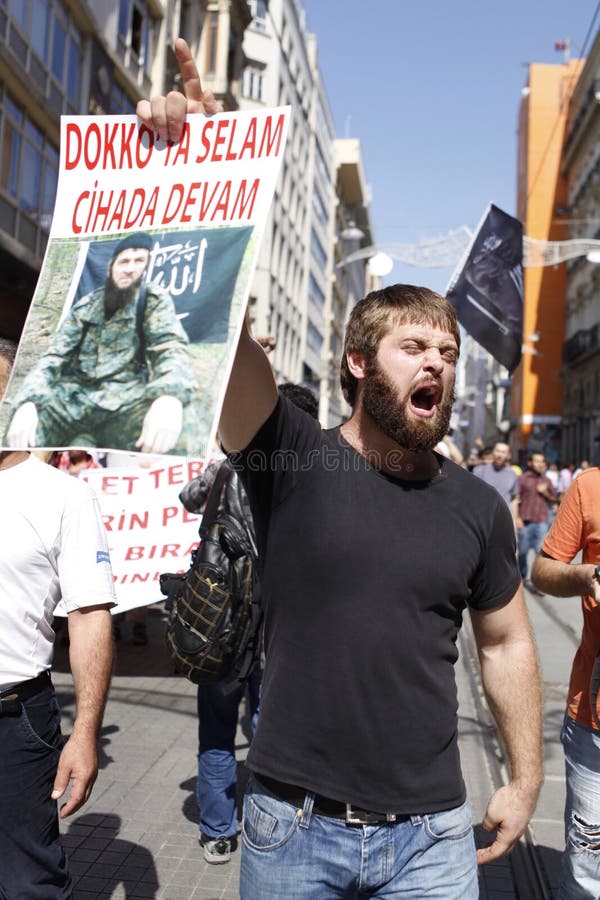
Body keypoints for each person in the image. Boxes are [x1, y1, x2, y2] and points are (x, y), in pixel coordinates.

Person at [138, 45, 543, 898]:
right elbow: (220, 350)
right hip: (292, 830)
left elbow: (504, 639)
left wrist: (524, 773)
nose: (437, 360)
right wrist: (206, 163)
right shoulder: (290, 456)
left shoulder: (476, 506)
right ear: (360, 364)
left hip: (433, 839)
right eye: (414, 346)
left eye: (448, 350)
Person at [180, 382, 319, 865]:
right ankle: (273, 821)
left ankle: (218, 831)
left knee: (217, 730)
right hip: (280, 624)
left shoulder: (230, 465)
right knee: (272, 725)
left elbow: (188, 496)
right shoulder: (311, 473)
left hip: (221, 622)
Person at [0, 337, 116, 898]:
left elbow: (90, 617)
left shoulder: (62, 496)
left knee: (27, 883)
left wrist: (86, 733)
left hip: (15, 723)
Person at [5, 232, 196, 454]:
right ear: (110, 267)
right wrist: (29, 401)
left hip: (127, 405)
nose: (130, 268)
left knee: (181, 434)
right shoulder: (86, 306)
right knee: (19, 429)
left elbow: (169, 347)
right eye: (124, 261)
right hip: (74, 403)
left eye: (139, 261)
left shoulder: (153, 301)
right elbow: (54, 357)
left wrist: (169, 396)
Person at [531, 467, 600, 899]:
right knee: (586, 872)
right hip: (594, 722)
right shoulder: (590, 486)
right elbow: (542, 570)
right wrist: (584, 576)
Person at [516, 452, 557, 591]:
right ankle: (521, 578)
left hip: (542, 522)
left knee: (541, 554)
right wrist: (517, 518)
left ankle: (538, 583)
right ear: (530, 463)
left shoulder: (547, 480)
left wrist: (545, 493)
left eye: (542, 461)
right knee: (522, 552)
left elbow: (556, 500)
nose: (540, 464)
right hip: (525, 521)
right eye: (537, 461)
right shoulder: (522, 479)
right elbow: (516, 499)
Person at [473, 441, 520, 525]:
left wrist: (515, 519)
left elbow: (514, 499)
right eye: (497, 451)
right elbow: (471, 494)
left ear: (508, 455)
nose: (499, 455)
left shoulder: (513, 475)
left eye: (503, 452)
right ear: (493, 452)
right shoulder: (479, 471)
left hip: (502, 520)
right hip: (481, 518)